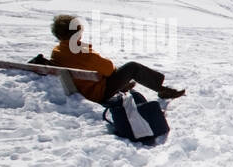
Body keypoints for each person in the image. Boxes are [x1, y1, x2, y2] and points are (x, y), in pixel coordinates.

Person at [42, 15, 185, 103]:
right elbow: (109, 69)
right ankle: (161, 89)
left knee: (122, 70)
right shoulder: (82, 53)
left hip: (83, 89)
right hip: (97, 93)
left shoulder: (57, 51)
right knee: (132, 67)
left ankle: (123, 86)